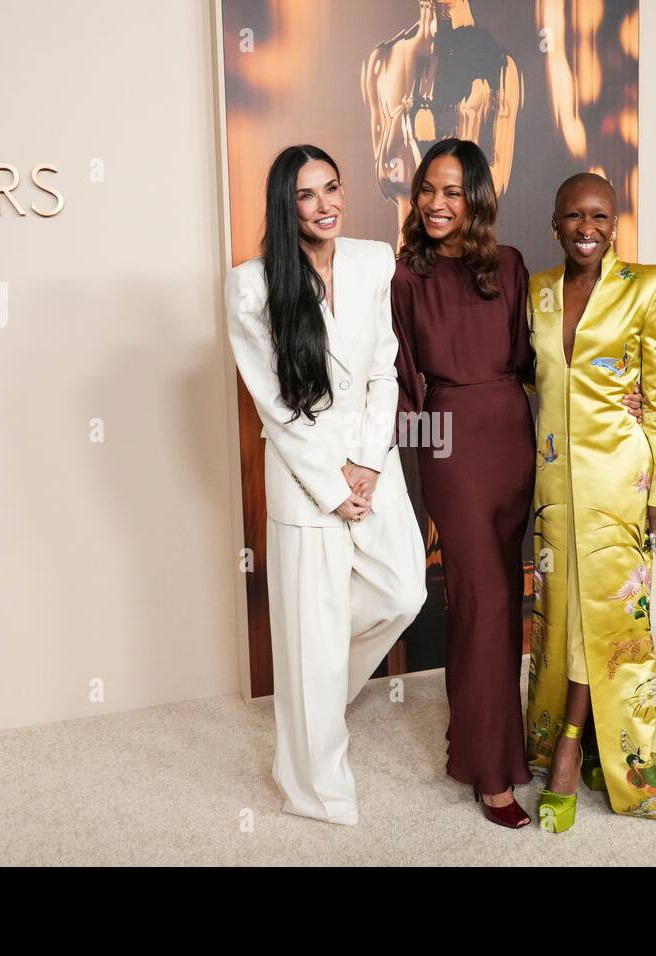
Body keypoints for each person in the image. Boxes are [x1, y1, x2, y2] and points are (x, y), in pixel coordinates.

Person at [224, 144, 426, 826]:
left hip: (373, 462)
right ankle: (314, 783)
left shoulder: (375, 260)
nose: (324, 204)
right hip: (304, 469)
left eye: (331, 188)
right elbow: (274, 405)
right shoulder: (251, 285)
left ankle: (312, 700)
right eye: (307, 195)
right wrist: (331, 484)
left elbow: (387, 369)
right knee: (312, 630)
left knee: (404, 589)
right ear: (287, 206)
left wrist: (367, 464)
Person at [525, 172, 656, 831]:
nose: (586, 227)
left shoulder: (647, 285)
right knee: (562, 609)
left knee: (608, 617)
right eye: (573, 216)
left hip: (619, 481)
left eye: (599, 215)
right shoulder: (537, 291)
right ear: (556, 223)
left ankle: (569, 751)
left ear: (616, 221)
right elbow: (528, 372)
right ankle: (583, 740)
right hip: (553, 482)